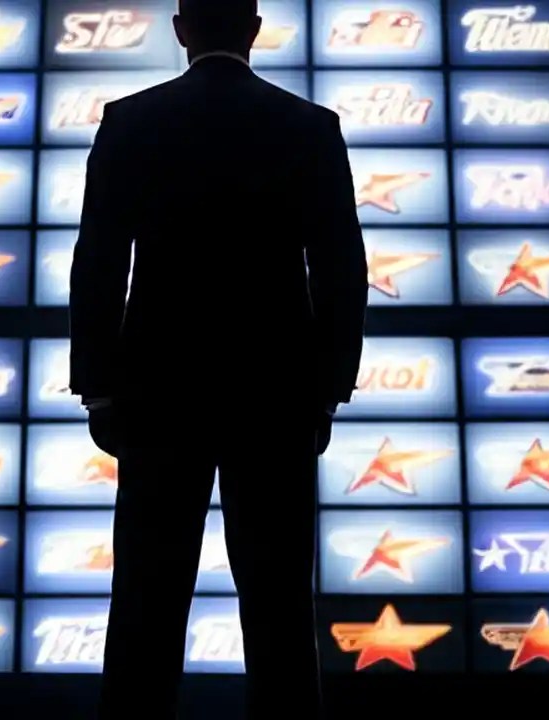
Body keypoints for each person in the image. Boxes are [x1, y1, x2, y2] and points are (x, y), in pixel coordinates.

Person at [68, 0, 368, 715]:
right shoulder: (309, 126)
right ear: (255, 30)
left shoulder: (131, 121)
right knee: (279, 604)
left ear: (181, 30)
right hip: (276, 396)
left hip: (158, 394)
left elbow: (99, 263)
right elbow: (341, 269)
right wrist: (329, 390)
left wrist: (98, 389)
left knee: (145, 598)